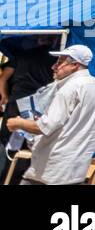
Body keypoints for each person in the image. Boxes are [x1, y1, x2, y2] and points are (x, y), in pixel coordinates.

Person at [6, 45, 95, 185]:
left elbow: (44, 127)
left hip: (52, 170)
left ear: (75, 65)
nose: (54, 66)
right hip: (77, 168)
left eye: (60, 62)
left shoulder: (68, 89)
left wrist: (18, 123)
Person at [0, 34, 59, 184]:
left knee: (8, 144)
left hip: (15, 105)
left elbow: (3, 78)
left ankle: (6, 177)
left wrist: (5, 95)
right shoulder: (56, 61)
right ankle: (19, 177)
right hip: (36, 107)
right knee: (29, 145)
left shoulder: (21, 55)